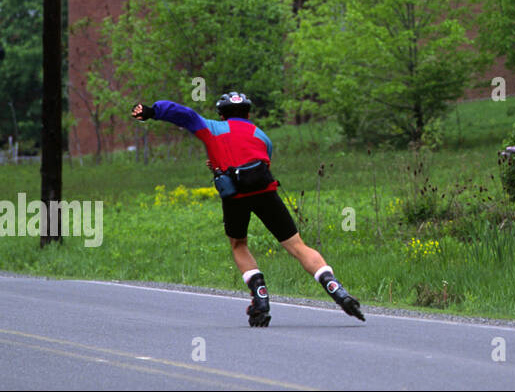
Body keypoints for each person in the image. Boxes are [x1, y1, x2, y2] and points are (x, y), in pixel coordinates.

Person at [131, 91, 365, 327]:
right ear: (248, 113)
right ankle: (337, 290)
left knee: (239, 244)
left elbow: (185, 115)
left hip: (235, 197)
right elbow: (258, 162)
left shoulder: (211, 127)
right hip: (266, 193)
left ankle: (260, 298)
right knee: (297, 246)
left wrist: (152, 111)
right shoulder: (262, 136)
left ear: (222, 114)